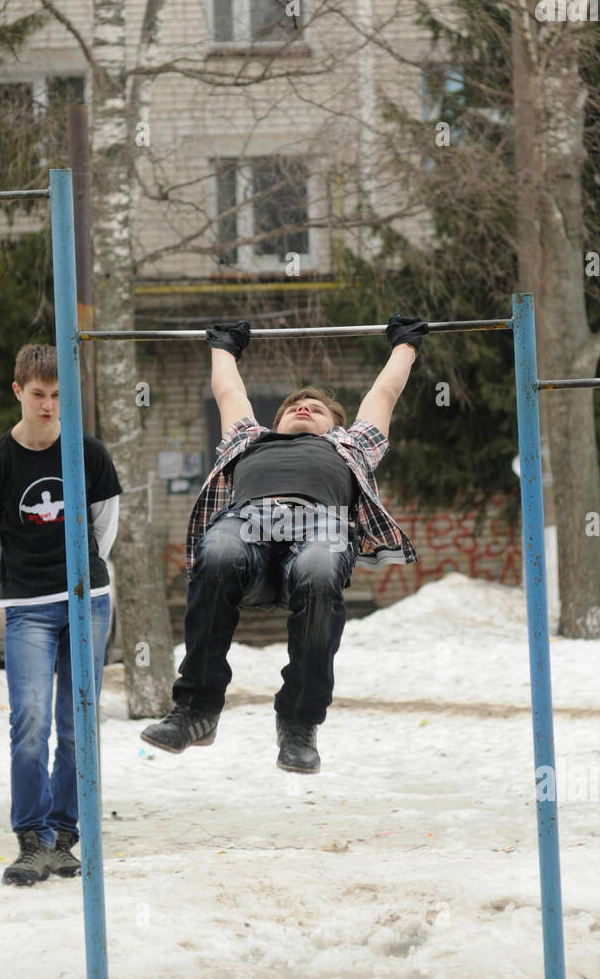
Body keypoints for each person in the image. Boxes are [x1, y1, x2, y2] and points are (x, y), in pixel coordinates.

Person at [141, 315, 424, 774]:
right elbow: (229, 393)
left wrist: (405, 347)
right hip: (247, 526)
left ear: (337, 425)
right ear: (276, 422)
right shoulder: (249, 440)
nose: (304, 407)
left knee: (318, 567)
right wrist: (224, 346)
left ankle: (297, 724)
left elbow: (384, 394)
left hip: (320, 528)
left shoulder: (351, 446)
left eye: (316, 407)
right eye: (295, 406)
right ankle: (196, 710)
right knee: (217, 551)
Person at [0, 345, 121, 886]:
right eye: (39, 395)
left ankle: (64, 835)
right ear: (18, 393)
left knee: (76, 724)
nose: (49, 405)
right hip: (27, 610)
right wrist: (16, 588)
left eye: (58, 395)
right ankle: (31, 839)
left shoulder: (88, 453)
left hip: (86, 603)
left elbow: (105, 527)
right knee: (29, 721)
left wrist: (80, 580)